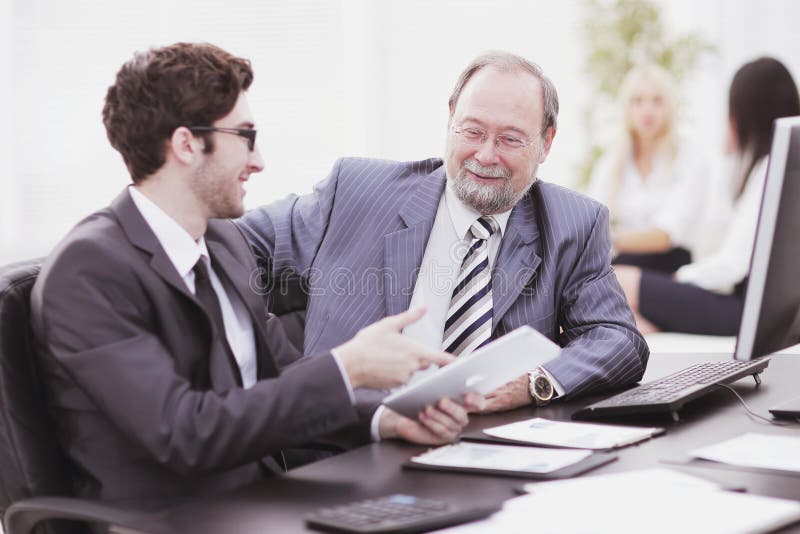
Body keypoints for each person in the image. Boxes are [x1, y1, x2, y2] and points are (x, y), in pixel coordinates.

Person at [30, 42, 480, 511]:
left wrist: (386, 417)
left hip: (263, 502)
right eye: (245, 136)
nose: (258, 160)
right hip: (168, 519)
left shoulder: (222, 243)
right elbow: (185, 433)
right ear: (186, 144)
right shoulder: (90, 269)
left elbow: (282, 376)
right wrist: (347, 367)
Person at [239, 51, 649, 415]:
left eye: (509, 139)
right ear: (450, 117)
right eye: (472, 131)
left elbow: (618, 340)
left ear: (546, 143)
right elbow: (230, 248)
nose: (486, 155)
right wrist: (278, 360)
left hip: (487, 450)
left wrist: (534, 383)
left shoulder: (572, 222)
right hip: (348, 448)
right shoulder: (355, 190)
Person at [615, 57, 800, 335]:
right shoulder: (780, 166)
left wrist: (680, 279)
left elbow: (732, 265)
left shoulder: (766, 172)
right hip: (765, 312)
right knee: (626, 300)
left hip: (743, 313)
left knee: (617, 280)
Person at [586, 63, 708, 273]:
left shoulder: (690, 158)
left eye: (657, 101)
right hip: (621, 264)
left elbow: (665, 236)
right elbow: (589, 225)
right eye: (638, 101)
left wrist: (612, 238)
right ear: (627, 108)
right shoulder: (611, 163)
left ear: (670, 106)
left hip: (671, 268)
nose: (647, 110)